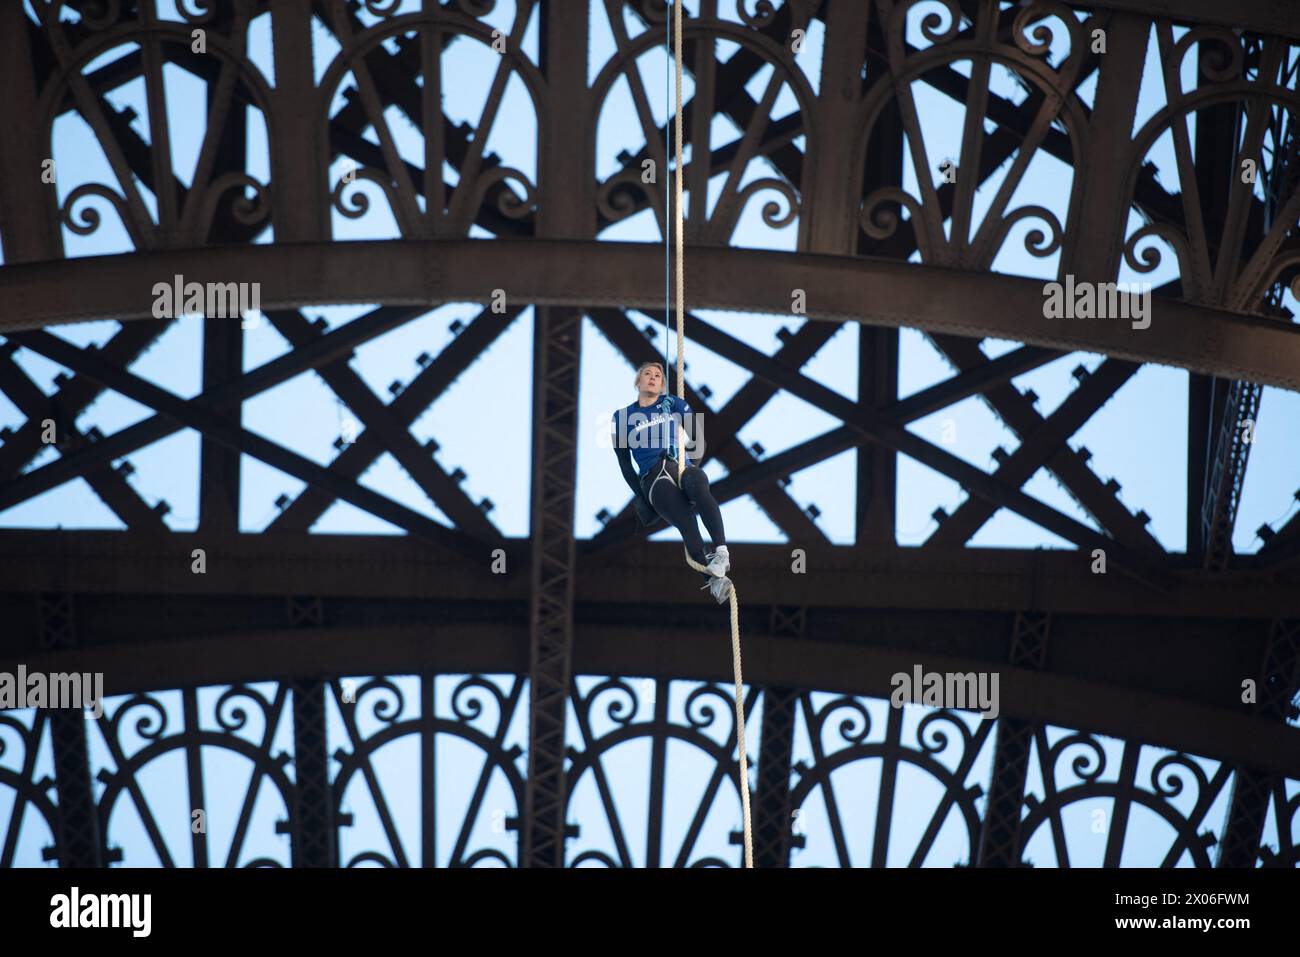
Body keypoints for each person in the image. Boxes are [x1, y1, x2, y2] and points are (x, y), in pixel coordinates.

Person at [610, 361, 732, 604]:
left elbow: (699, 439)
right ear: (638, 382)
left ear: (662, 384)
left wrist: (690, 466)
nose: (653, 378)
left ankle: (721, 552)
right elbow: (625, 466)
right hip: (653, 478)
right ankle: (712, 580)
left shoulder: (673, 404)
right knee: (686, 519)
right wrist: (643, 498)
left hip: (681, 466)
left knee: (698, 485)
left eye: (658, 375)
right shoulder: (621, 418)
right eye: (647, 374)